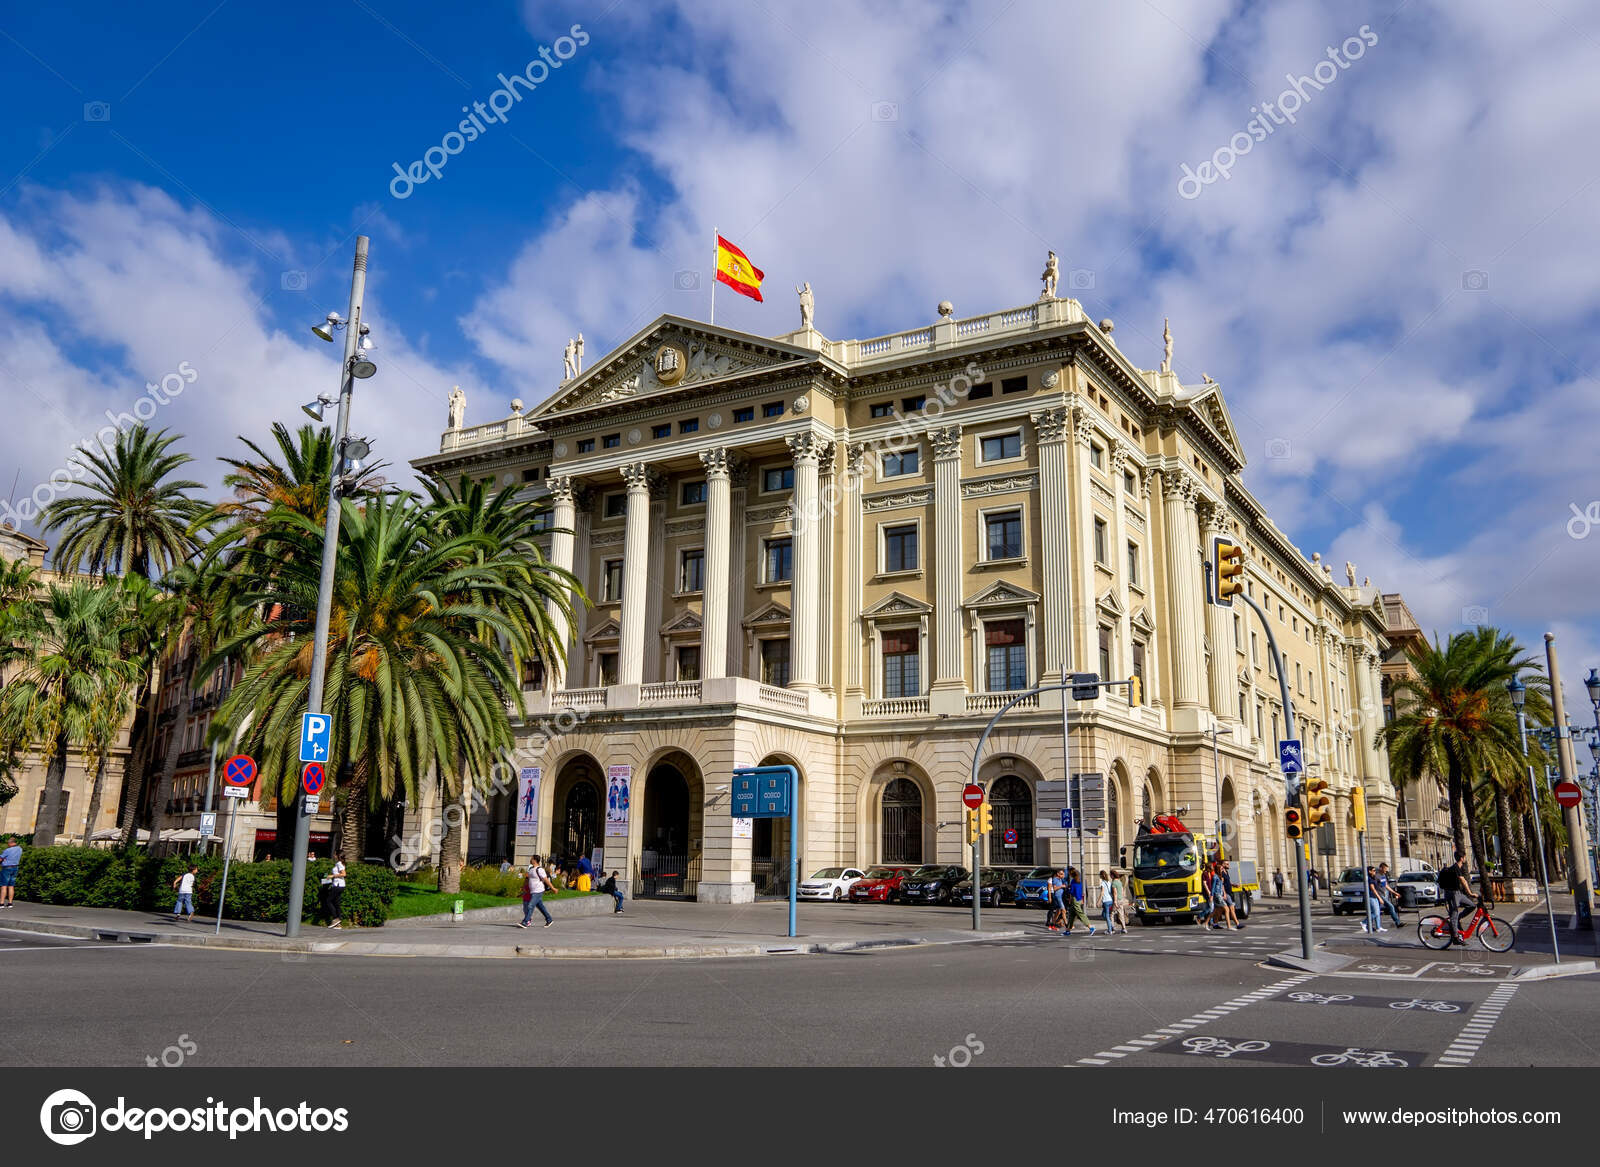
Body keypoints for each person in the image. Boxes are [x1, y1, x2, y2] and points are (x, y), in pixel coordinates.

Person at [1438, 849, 1473, 945]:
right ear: (1462, 858)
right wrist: (1470, 893)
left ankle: (1457, 920)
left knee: (1472, 905)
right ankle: (1455, 937)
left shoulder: (1458, 867)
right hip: (1452, 893)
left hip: (1458, 893)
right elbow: (1463, 881)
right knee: (1454, 913)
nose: (1465, 859)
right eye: (1465, 857)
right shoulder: (1455, 867)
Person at [520, 854, 554, 928]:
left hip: (538, 891)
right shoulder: (531, 869)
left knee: (530, 905)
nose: (530, 860)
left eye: (531, 859)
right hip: (533, 891)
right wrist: (523, 887)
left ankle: (525, 922)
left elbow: (546, 880)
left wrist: (553, 888)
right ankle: (549, 919)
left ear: (535, 860)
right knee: (541, 907)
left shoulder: (540, 870)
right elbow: (527, 879)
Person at [1375, 862, 1403, 927]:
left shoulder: (1383, 876)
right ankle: (1397, 922)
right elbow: (1373, 887)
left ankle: (1373, 925)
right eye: (1385, 869)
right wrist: (1378, 896)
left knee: (1376, 911)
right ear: (1381, 868)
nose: (1386, 871)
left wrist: (1394, 892)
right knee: (1390, 906)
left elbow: (1385, 885)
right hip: (1379, 895)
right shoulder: (1376, 876)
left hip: (1383, 894)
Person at [1067, 867, 1092, 935]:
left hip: (1075, 899)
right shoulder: (1080, 880)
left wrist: (1068, 889)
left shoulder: (1073, 881)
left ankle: (1091, 927)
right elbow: (1083, 891)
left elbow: (1072, 891)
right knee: (1071, 916)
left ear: (1071, 873)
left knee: (1080, 914)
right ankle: (1068, 930)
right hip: (1079, 898)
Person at [325, 853, 347, 929]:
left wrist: (332, 876)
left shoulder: (339, 863)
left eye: (335, 854)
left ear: (338, 856)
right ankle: (338, 924)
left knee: (328, 901)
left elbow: (344, 874)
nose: (334, 855)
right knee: (337, 903)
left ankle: (335, 919)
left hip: (338, 885)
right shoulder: (340, 863)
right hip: (339, 885)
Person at [1361, 866, 1386, 933]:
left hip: (1374, 896)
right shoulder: (1369, 879)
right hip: (1371, 897)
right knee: (1375, 912)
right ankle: (1364, 922)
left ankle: (1378, 927)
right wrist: (1379, 898)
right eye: (1374, 870)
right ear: (1370, 871)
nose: (1375, 871)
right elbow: (1373, 889)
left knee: (1377, 912)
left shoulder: (1373, 878)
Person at [1219, 862, 1243, 929]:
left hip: (1229, 892)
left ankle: (1214, 923)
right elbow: (1222, 884)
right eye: (1227, 864)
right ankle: (1237, 924)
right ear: (1223, 865)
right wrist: (1224, 894)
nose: (1228, 865)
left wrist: (1234, 885)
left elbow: (1228, 882)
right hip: (1226, 893)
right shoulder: (1222, 874)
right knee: (1231, 908)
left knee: (1218, 909)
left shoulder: (1226, 872)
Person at [1096, 869, 1119, 934]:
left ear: (1101, 876)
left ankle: (1109, 930)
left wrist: (1098, 901)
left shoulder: (1103, 883)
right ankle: (1111, 927)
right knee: (1104, 915)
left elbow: (1102, 893)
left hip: (1106, 901)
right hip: (1110, 900)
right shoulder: (1109, 882)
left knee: (1107, 916)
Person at [0, 836, 21, 906]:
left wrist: (3, 860)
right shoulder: (20, 849)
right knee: (11, 885)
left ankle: (1, 903)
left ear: (11, 843)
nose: (7, 845)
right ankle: (10, 903)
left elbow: (1, 858)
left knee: (4, 885)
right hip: (15, 868)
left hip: (7, 868)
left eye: (8, 843)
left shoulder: (8, 850)